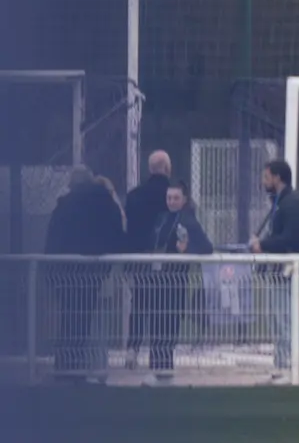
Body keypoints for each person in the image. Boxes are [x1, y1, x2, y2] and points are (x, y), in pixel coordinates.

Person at [44, 166, 126, 379]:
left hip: (66, 271)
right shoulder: (105, 202)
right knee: (86, 318)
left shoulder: (65, 205)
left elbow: (53, 239)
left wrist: (50, 271)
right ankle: (83, 366)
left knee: (68, 319)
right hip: (94, 270)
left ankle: (67, 366)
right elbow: (117, 233)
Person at [144, 179, 213, 384]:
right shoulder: (162, 217)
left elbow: (206, 247)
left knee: (168, 324)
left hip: (174, 281)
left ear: (184, 199)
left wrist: (187, 251)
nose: (172, 201)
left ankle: (164, 370)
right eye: (169, 198)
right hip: (156, 279)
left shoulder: (187, 220)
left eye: (175, 198)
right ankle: (158, 369)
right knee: (156, 324)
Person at [251, 160, 299, 376]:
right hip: (280, 271)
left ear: (277, 177)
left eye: (267, 177)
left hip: (288, 271)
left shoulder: (291, 203)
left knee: (285, 317)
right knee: (279, 317)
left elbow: (291, 236)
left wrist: (264, 244)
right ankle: (283, 363)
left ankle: (289, 364)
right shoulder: (282, 202)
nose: (264, 181)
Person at [125, 151, 174, 370]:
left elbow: (130, 229)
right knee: (163, 306)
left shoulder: (135, 195)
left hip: (139, 257)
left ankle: (132, 349)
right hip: (166, 260)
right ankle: (160, 353)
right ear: (166, 168)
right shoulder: (172, 195)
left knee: (140, 303)